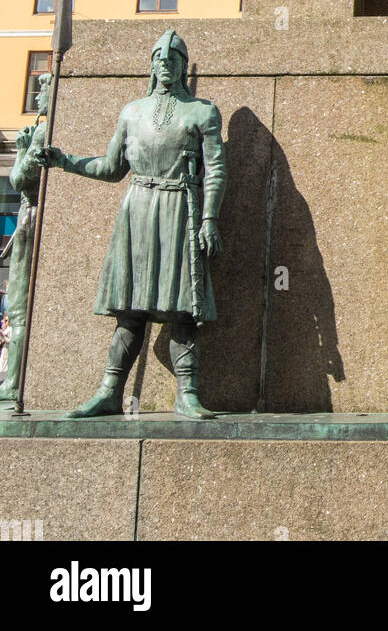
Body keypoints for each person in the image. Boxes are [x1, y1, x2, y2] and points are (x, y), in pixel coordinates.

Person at [42, 30, 226, 420]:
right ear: (151, 64)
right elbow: (111, 168)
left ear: (182, 65)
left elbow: (216, 172)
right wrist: (64, 160)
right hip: (138, 210)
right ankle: (110, 391)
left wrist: (209, 218)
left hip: (181, 210)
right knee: (130, 309)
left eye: (173, 58)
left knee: (182, 307)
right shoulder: (132, 112)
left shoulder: (203, 112)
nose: (165, 64)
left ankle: (187, 394)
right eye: (159, 58)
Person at [0, 74, 49, 409]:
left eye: (42, 91)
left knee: (19, 308)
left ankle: (14, 382)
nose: (36, 100)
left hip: (31, 216)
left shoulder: (44, 130)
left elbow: (19, 178)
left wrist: (20, 149)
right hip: (35, 216)